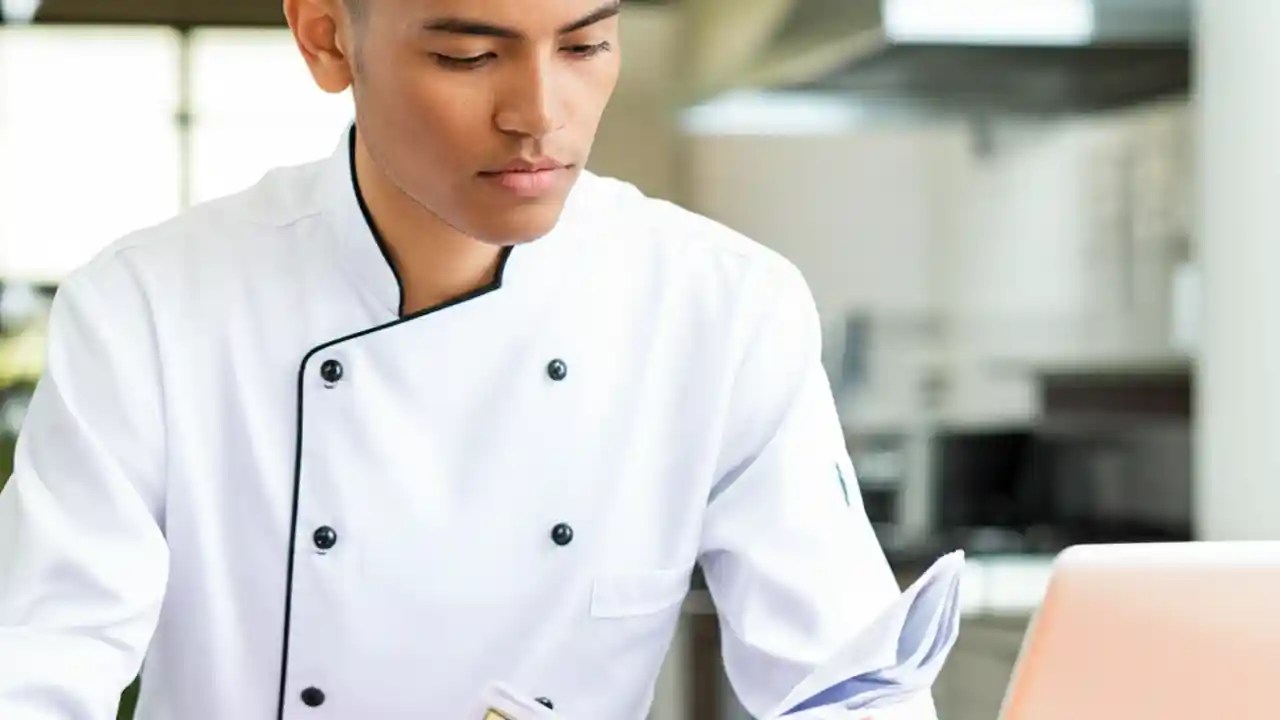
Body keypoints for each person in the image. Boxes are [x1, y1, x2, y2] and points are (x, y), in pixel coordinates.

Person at [0, 1, 938, 718]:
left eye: (585, 46)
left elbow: (843, 682)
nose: (539, 115)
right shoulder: (150, 306)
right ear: (327, 37)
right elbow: (40, 662)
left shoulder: (723, 308)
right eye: (468, 56)